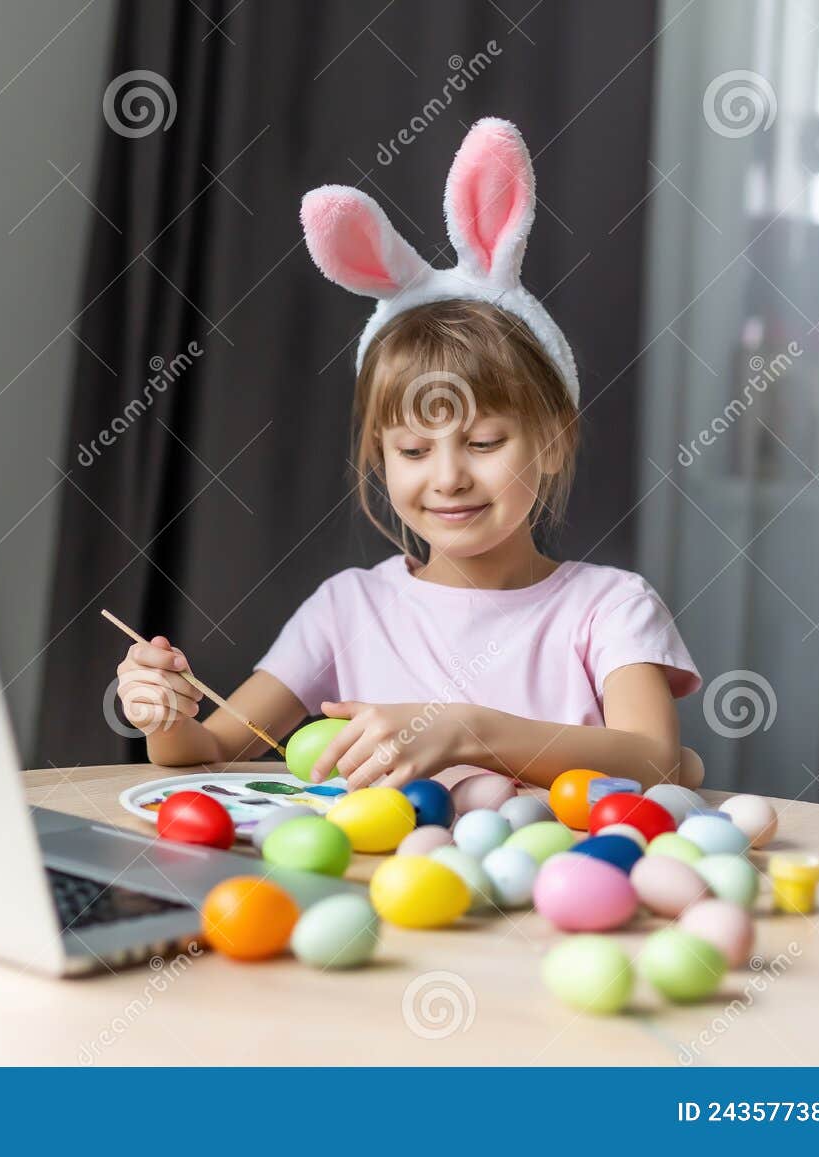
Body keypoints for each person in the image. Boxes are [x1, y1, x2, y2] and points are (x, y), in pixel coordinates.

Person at [115, 118, 703, 793]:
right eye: (415, 449)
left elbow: (655, 760)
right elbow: (211, 751)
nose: (449, 477)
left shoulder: (609, 607)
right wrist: (165, 711)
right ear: (380, 454)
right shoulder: (348, 609)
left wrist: (462, 729)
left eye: (484, 443)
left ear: (552, 443)